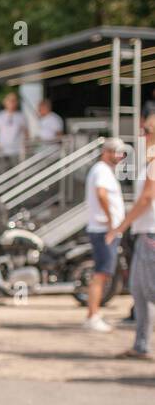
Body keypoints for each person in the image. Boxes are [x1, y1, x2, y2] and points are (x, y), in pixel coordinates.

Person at [106, 111, 155, 359]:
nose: (141, 135)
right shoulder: (149, 162)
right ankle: (141, 345)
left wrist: (120, 226)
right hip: (145, 232)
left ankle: (143, 345)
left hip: (150, 233)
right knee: (139, 290)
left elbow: (147, 198)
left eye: (146, 131)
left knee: (148, 290)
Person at [82, 137, 127, 333]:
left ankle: (94, 314)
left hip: (105, 229)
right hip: (104, 230)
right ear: (105, 152)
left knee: (103, 273)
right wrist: (111, 222)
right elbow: (101, 194)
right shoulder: (101, 170)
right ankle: (92, 315)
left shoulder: (104, 170)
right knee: (101, 274)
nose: (118, 156)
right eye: (115, 152)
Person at [0, 91, 27, 168]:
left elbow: (26, 133)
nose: (12, 102)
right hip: (2, 152)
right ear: (5, 102)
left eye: (14, 100)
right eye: (9, 100)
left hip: (16, 152)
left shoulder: (21, 117)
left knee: (16, 174)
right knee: (4, 175)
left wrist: (24, 146)